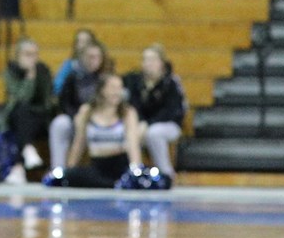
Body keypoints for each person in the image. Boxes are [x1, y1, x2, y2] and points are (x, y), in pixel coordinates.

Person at [60, 73, 144, 188]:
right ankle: (114, 185)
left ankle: (120, 184)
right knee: (71, 177)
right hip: (98, 165)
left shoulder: (128, 112)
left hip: (119, 164)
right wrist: (69, 169)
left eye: (120, 88)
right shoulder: (87, 111)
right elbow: (79, 143)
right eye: (113, 88)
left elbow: (133, 145)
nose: (117, 92)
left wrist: (136, 172)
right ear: (102, 90)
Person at [122, 44, 187, 175]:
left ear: (161, 63)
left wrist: (147, 124)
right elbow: (133, 105)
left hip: (168, 124)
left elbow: (171, 111)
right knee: (128, 132)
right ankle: (133, 171)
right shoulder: (135, 81)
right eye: (145, 59)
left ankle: (166, 173)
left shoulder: (171, 83)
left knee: (153, 133)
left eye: (152, 59)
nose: (148, 63)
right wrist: (140, 122)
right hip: (141, 124)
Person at [48, 40, 109, 171]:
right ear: (83, 58)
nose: (93, 61)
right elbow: (65, 103)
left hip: (102, 121)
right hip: (76, 118)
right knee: (60, 123)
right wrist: (75, 116)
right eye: (90, 57)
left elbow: (113, 104)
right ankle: (57, 169)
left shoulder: (107, 80)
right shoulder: (73, 77)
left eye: (97, 57)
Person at [0, 39, 52, 178]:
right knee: (22, 111)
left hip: (40, 115)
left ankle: (19, 165)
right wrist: (29, 78)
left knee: (26, 118)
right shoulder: (10, 72)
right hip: (17, 115)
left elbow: (47, 99)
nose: (32, 58)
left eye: (34, 54)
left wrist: (35, 75)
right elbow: (21, 97)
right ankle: (27, 149)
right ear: (18, 55)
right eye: (27, 54)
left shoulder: (43, 71)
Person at [51, 28, 95, 95]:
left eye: (86, 41)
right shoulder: (69, 64)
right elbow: (57, 87)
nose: (82, 45)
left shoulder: (99, 64)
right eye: (79, 41)